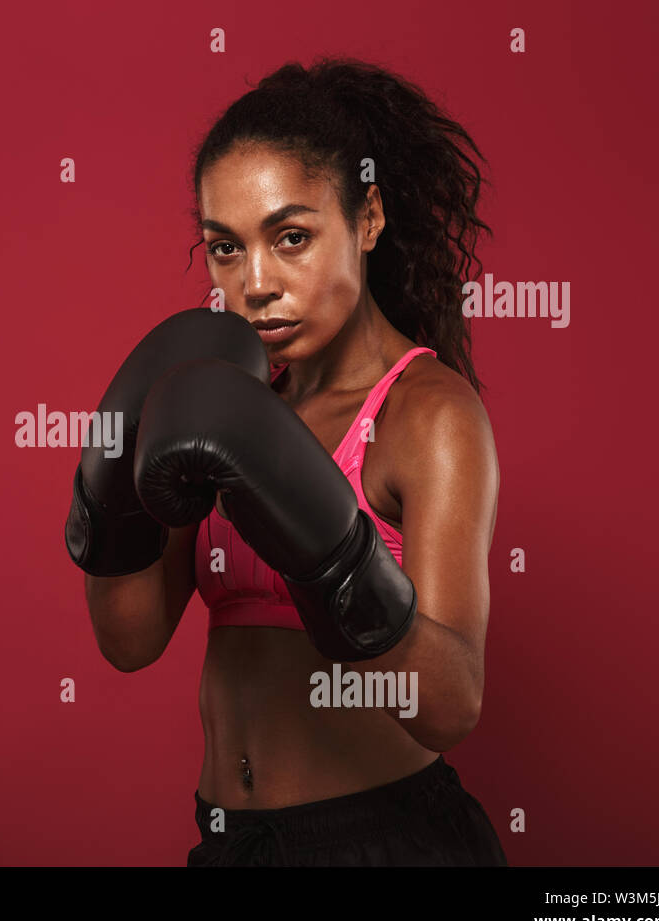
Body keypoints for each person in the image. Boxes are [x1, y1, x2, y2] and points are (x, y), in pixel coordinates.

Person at [65, 56, 507, 866]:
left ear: (367, 218)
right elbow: (130, 643)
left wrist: (334, 559)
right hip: (233, 845)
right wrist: (112, 503)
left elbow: (450, 707)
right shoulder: (228, 409)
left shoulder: (427, 416)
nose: (256, 284)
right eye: (225, 249)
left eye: (291, 237)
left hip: (381, 846)